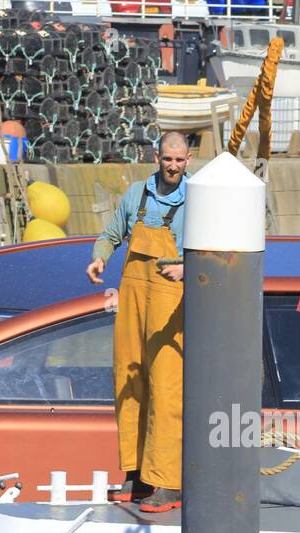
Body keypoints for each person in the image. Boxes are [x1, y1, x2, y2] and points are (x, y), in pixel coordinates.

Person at [86, 131, 189, 513]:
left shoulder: (197, 200)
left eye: (179, 160)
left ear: (188, 160)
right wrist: (100, 257)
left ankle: (167, 481)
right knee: (130, 381)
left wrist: (185, 266)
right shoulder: (136, 194)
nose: (173, 166)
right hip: (133, 300)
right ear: (156, 157)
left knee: (166, 389)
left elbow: (210, 251)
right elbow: (112, 234)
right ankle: (137, 473)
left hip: (170, 306)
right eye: (167, 159)